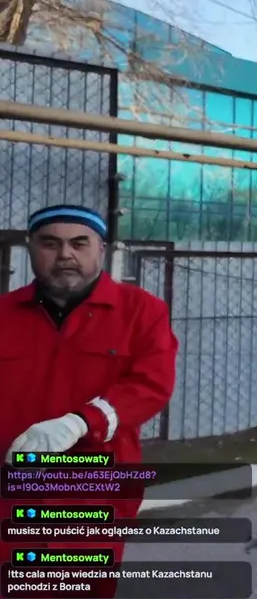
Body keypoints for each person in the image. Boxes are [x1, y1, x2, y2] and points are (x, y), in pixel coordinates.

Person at [1, 204, 178, 597]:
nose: (65, 254)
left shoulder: (142, 312)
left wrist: (80, 422)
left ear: (102, 249)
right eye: (50, 243)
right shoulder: (4, 314)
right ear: (30, 248)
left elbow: (151, 384)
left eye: (79, 244)